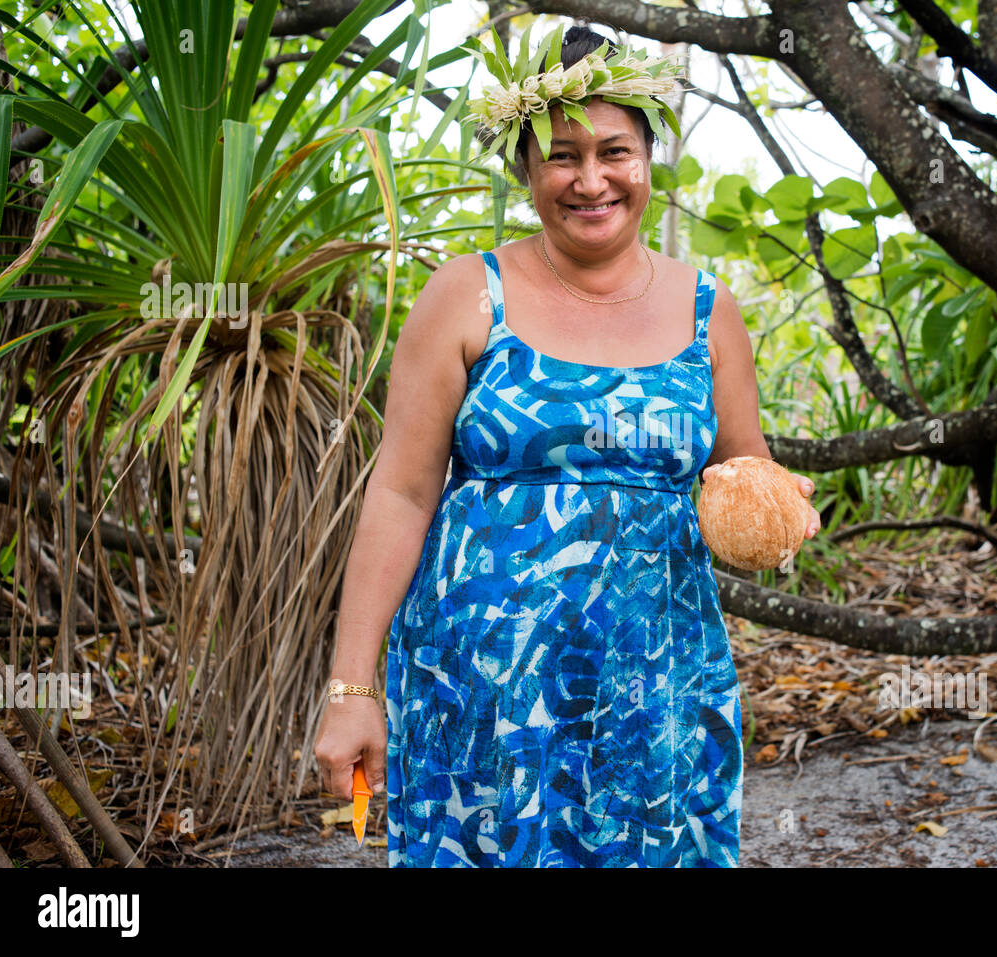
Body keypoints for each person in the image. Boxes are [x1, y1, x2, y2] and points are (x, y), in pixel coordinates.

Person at [314, 21, 821, 867]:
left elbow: (746, 474)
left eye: (615, 151)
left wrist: (777, 516)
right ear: (525, 169)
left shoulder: (709, 312)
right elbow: (400, 494)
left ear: (650, 156)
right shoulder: (468, 295)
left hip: (657, 693)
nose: (592, 180)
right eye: (561, 156)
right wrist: (352, 688)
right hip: (482, 693)